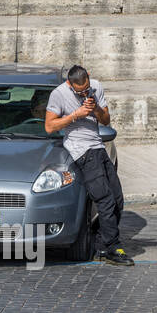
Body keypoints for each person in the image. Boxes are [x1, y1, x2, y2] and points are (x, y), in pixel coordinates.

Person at [46, 65, 132, 266]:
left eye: (86, 89)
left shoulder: (96, 87)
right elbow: (50, 126)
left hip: (98, 146)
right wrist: (76, 115)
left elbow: (106, 120)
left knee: (117, 198)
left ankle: (101, 246)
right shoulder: (58, 94)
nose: (84, 93)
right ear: (69, 84)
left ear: (89, 79)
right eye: (79, 91)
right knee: (104, 199)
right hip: (81, 151)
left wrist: (95, 109)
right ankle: (112, 247)